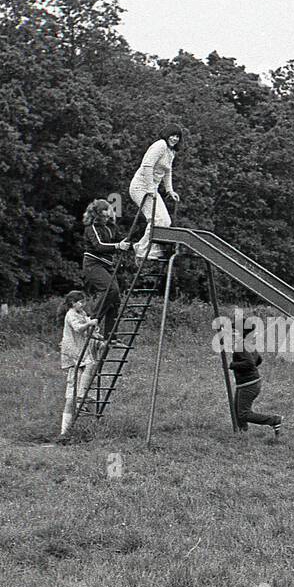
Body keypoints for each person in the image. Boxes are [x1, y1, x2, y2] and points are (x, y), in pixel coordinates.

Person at [127, 127, 183, 262]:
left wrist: (170, 190)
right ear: (166, 135)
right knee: (156, 220)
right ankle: (142, 249)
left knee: (166, 221)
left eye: (177, 137)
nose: (174, 139)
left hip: (152, 188)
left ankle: (146, 247)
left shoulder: (171, 151)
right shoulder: (160, 145)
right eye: (172, 135)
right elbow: (147, 166)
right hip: (141, 187)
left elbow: (168, 171)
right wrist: (150, 187)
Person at [80, 198, 128, 344]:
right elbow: (99, 246)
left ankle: (110, 336)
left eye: (108, 216)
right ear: (97, 214)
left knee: (115, 299)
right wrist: (118, 246)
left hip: (106, 266)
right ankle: (93, 321)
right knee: (110, 289)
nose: (107, 218)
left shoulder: (110, 227)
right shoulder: (91, 227)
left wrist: (135, 244)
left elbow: (121, 241)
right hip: (93, 264)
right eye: (104, 215)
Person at [56, 290, 99, 442]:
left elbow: (88, 330)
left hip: (82, 349)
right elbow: (79, 328)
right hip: (73, 350)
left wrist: (95, 330)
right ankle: (65, 431)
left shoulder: (81, 313)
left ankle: (93, 430)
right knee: (88, 367)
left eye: (84, 301)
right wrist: (89, 323)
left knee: (91, 388)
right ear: (73, 303)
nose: (83, 304)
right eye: (80, 301)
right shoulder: (71, 314)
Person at [230, 320, 283, 437]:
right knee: (236, 410)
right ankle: (242, 432)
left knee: (243, 414)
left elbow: (249, 363)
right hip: (249, 382)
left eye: (235, 332)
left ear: (242, 332)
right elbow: (258, 359)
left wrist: (232, 365)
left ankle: (274, 420)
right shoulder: (247, 343)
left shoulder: (241, 346)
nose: (232, 334)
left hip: (248, 384)